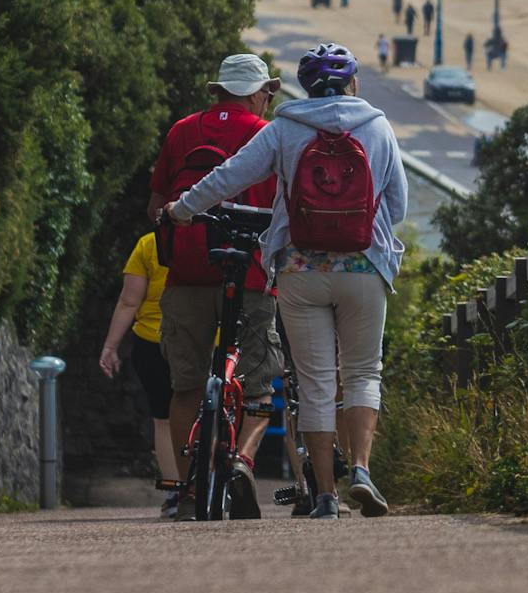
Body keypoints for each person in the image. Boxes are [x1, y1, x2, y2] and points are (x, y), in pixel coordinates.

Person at [167, 45, 406, 521]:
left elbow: (229, 176)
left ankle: (324, 496)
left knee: (315, 383)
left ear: (303, 86)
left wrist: (182, 209)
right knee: (362, 373)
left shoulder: (285, 128)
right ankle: (360, 468)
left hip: (300, 271)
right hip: (363, 268)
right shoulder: (378, 127)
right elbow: (396, 205)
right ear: (352, 83)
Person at [148, 53, 281, 518]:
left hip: (185, 276)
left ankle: (187, 489)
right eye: (269, 91)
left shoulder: (182, 130)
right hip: (249, 276)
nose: (269, 100)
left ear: (220, 89)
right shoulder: (266, 135)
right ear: (256, 92)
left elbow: (157, 208)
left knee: (185, 385)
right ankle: (243, 460)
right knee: (259, 385)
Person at [97, 230, 181, 515]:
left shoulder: (150, 243)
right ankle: (206, 486)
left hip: (152, 341)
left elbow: (129, 301)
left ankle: (174, 493)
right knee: (205, 415)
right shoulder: (218, 235)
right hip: (203, 340)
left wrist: (110, 346)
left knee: (164, 420)